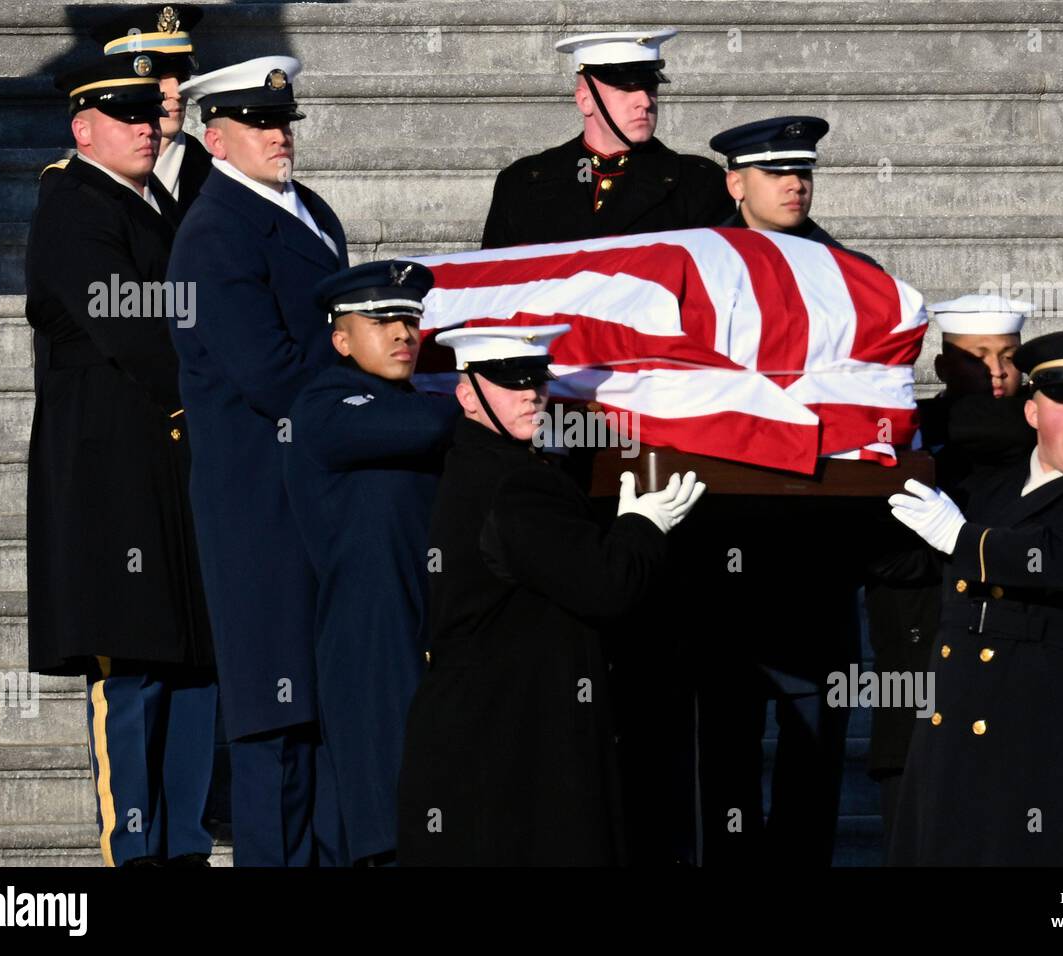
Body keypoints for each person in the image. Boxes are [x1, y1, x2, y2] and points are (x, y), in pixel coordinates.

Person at [396, 325, 706, 865]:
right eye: (508, 383)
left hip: (492, 731)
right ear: (467, 394)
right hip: (517, 741)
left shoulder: (481, 466)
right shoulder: (515, 484)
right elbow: (607, 585)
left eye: (537, 381)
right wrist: (642, 527)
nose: (530, 394)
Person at [25, 51, 215, 867]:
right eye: (125, 116)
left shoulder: (157, 205)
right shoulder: (72, 202)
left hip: (172, 472)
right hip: (109, 483)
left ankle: (184, 849)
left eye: (151, 115)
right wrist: (213, 378)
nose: (145, 127)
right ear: (83, 128)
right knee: (133, 670)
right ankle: (136, 853)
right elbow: (130, 323)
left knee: (191, 665)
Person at [887, 330, 1063, 865]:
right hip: (957, 720)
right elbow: (904, 563)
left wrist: (963, 538)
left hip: (1055, 723)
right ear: (1033, 412)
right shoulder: (988, 488)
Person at [167, 55, 349, 866]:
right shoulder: (213, 234)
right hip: (261, 505)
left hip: (312, 495)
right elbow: (271, 373)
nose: (280, 136)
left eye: (283, 122)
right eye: (260, 124)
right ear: (215, 138)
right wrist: (370, 396)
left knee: (318, 709)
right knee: (275, 719)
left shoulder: (306, 209)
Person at [283, 261, 459, 867]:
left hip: (429, 622)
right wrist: (478, 398)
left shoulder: (421, 407)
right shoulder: (324, 403)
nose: (403, 332)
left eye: (410, 319)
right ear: (341, 339)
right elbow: (417, 425)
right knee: (390, 818)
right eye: (382, 319)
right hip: (370, 634)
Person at [863, 294, 1034, 852]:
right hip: (919, 656)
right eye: (977, 356)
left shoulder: (1051, 433)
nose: (997, 371)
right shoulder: (909, 432)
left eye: (1008, 355)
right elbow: (878, 550)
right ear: (941, 367)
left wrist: (960, 538)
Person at [480, 29, 732, 248]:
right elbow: (495, 285)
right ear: (585, 100)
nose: (644, 102)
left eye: (650, 88)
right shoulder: (522, 183)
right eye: (625, 89)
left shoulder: (698, 183)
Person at [41, 4, 212, 214]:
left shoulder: (214, 170)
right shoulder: (70, 183)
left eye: (182, 76)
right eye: (157, 78)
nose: (176, 91)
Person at [709, 115, 879, 267]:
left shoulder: (855, 272)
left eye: (803, 172)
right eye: (776, 173)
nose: (797, 185)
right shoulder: (703, 263)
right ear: (736, 185)